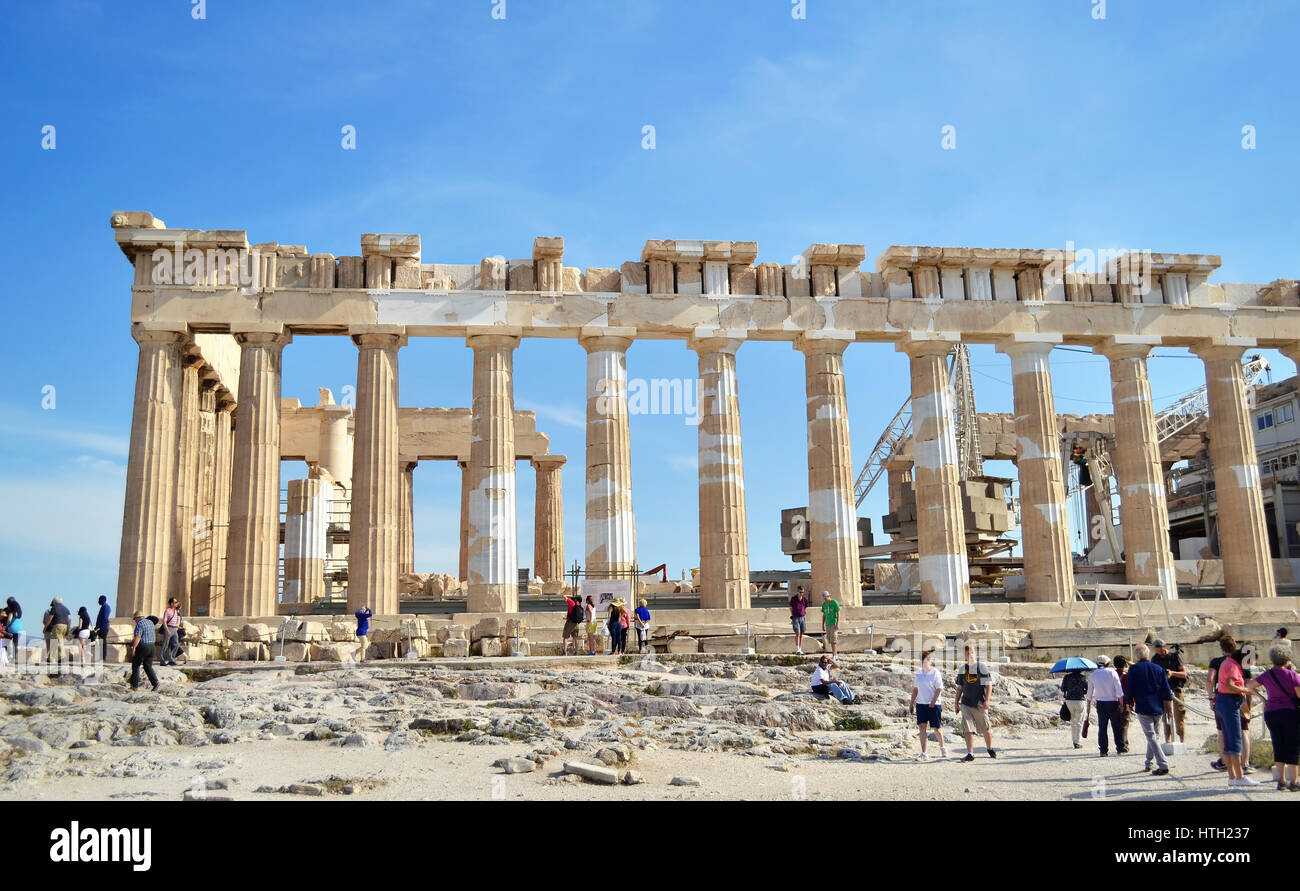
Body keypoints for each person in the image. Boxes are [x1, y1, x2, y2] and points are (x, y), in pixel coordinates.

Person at [1247, 644, 1300, 791]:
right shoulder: (1292, 675)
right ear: (1287, 660)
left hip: (1271, 712)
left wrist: (1263, 698)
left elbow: (1249, 685)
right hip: (1290, 712)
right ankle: (1294, 782)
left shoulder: (1267, 674)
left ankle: (1281, 781)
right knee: (1293, 746)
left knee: (1278, 745)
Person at [1212, 638, 1257, 786]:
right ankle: (1240, 777)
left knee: (1229, 740)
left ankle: (1232, 777)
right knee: (1235, 740)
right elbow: (1230, 685)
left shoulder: (1228, 662)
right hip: (1229, 702)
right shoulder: (1232, 666)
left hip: (1224, 702)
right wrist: (1245, 689)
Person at [1125, 644, 1174, 776]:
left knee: (1151, 736)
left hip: (1143, 706)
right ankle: (1148, 763)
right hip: (1158, 707)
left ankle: (1163, 765)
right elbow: (1166, 689)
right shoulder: (1158, 669)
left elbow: (1130, 689)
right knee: (1154, 736)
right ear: (1148, 654)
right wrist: (1169, 706)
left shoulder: (1133, 670)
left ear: (1136, 655)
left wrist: (1128, 703)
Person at [955, 643, 996, 761]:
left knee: (985, 728)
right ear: (965, 656)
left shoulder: (981, 668)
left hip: (979, 703)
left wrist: (987, 700)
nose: (970, 655)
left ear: (975, 654)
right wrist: (956, 703)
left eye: (972, 652)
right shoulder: (963, 669)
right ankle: (970, 753)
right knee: (967, 728)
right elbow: (959, 688)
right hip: (966, 703)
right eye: (968, 653)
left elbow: (988, 685)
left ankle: (989, 747)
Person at [909, 649, 947, 760]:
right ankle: (924, 753)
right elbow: (915, 690)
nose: (925, 661)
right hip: (921, 704)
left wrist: (933, 701)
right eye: (923, 660)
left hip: (933, 705)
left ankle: (942, 747)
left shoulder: (935, 672)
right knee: (922, 727)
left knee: (936, 728)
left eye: (927, 659)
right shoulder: (918, 673)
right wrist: (911, 703)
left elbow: (939, 688)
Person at [1085, 655, 1124, 757]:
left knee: (1102, 728)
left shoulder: (1093, 675)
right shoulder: (1112, 672)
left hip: (1100, 703)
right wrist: (1121, 704)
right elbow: (1119, 690)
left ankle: (1103, 750)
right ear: (1108, 663)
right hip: (1113, 702)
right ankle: (1120, 748)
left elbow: (1089, 694)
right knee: (1116, 727)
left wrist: (1088, 709)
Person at [1151, 639, 1188, 744]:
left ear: (1165, 647)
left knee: (1179, 714)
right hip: (1163, 690)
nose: (1160, 652)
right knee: (1165, 715)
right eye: (1157, 650)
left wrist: (1172, 673)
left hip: (1176, 688)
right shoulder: (1155, 659)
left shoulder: (1174, 657)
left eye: (1161, 649)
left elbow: (1184, 673)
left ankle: (1182, 741)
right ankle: (1167, 740)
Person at [128, 609, 160, 692]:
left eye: (135, 619)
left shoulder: (139, 624)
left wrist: (133, 648)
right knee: (148, 666)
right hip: (152, 647)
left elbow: (138, 637)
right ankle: (155, 683)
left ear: (138, 618)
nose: (135, 621)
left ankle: (134, 686)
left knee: (136, 665)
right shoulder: (150, 623)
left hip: (143, 646)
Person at [1060, 667, 1088, 749]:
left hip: (1069, 701)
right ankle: (1077, 742)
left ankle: (1074, 740)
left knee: (1073, 721)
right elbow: (1087, 690)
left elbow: (1062, 689)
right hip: (1080, 701)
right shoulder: (1083, 677)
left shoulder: (1066, 677)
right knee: (1079, 722)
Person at [1112, 655, 1131, 754]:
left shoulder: (1112, 674)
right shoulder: (1127, 675)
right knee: (1124, 724)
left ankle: (1119, 744)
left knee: (1116, 725)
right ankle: (1123, 745)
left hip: (1113, 701)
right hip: (1124, 701)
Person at [45, 597, 71, 668]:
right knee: (57, 641)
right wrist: (68, 630)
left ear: (54, 602)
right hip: (65, 626)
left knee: (58, 642)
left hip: (57, 625)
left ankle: (61, 658)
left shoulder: (54, 608)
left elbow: (49, 619)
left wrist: (45, 628)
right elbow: (69, 620)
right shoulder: (66, 609)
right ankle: (51, 658)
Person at [160, 597, 183, 666]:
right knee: (165, 645)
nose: (176, 603)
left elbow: (180, 606)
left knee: (176, 645)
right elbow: (164, 621)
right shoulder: (167, 610)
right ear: (171, 603)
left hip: (174, 629)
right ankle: (162, 661)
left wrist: (178, 627)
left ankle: (171, 659)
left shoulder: (176, 611)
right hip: (169, 628)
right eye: (175, 602)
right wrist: (167, 630)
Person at [789, 585, 809, 655]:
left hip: (803, 617)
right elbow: (791, 607)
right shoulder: (793, 598)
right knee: (797, 633)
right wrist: (792, 616)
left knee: (802, 633)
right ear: (798, 591)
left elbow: (805, 606)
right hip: (795, 617)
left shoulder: (805, 599)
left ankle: (800, 648)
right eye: (800, 592)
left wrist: (803, 612)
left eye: (803, 592)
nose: (802, 593)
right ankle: (797, 649)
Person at [820, 591, 840, 657]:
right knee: (830, 640)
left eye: (826, 597)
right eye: (824, 598)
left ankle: (835, 655)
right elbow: (824, 615)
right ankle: (833, 654)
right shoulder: (824, 604)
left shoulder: (834, 602)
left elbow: (838, 613)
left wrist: (837, 624)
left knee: (834, 639)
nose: (825, 599)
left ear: (828, 596)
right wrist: (822, 624)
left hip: (833, 623)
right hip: (828, 623)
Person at [93, 594, 112, 661]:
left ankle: (103, 657)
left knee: (102, 642)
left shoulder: (105, 607)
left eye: (99, 600)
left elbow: (104, 618)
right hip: (103, 626)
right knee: (102, 641)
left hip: (103, 627)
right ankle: (102, 657)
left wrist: (98, 627)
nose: (98, 601)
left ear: (102, 600)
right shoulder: (106, 607)